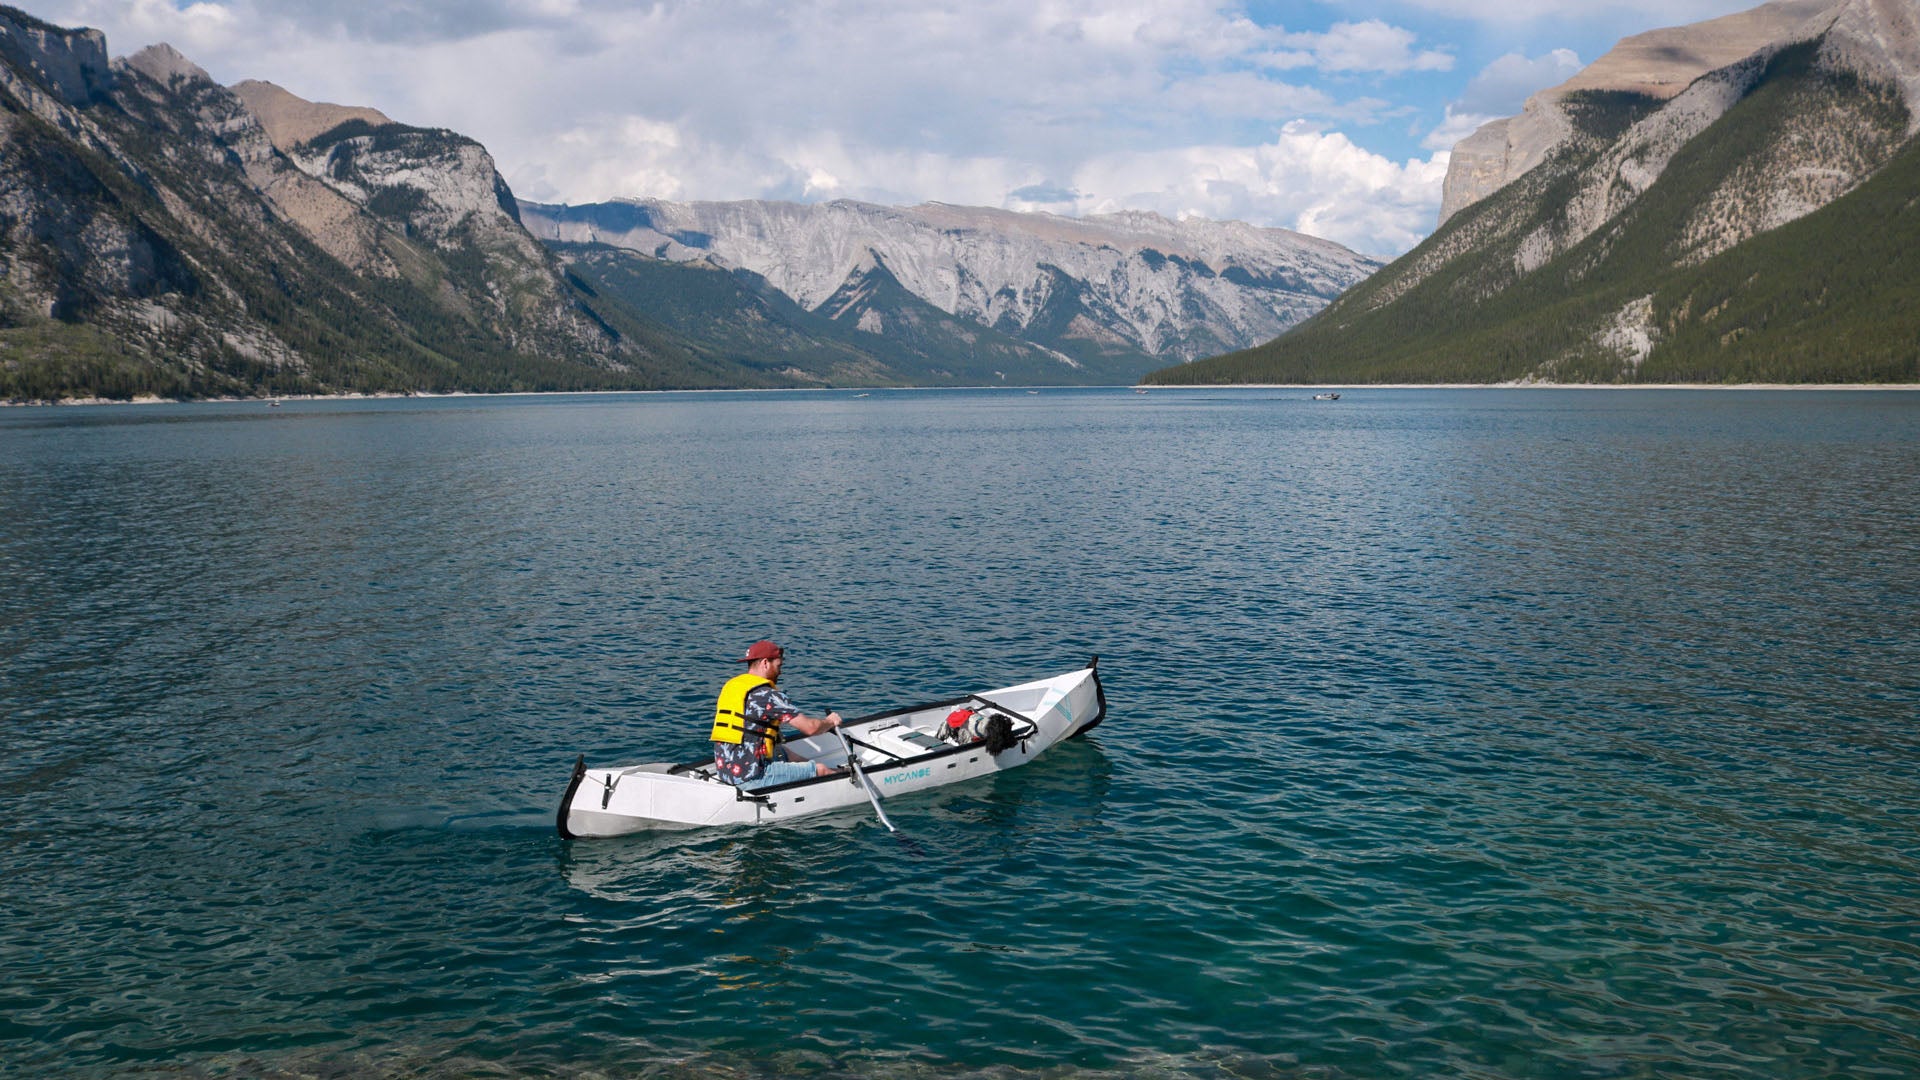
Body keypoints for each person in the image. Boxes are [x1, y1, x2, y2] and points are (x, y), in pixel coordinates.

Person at [710, 640, 844, 789]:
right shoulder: (768, 695)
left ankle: (809, 771)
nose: (780, 672)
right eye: (778, 666)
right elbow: (810, 728)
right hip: (752, 778)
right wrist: (831, 721)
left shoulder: (732, 688)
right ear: (765, 663)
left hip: (726, 773)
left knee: (783, 751)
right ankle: (835, 774)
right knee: (821, 769)